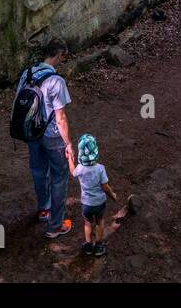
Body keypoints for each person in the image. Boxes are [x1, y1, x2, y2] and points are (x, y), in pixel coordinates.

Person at [16, 40, 76, 238]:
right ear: (59, 55)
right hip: (51, 136)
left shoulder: (27, 73)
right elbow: (60, 117)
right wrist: (68, 143)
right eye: (63, 57)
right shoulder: (56, 81)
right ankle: (55, 226)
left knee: (38, 169)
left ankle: (44, 208)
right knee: (59, 177)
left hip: (31, 132)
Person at [70, 133, 117, 257]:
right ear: (95, 151)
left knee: (87, 223)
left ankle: (88, 245)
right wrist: (112, 195)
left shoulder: (80, 168)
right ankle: (99, 246)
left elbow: (72, 172)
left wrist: (69, 158)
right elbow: (105, 187)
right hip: (99, 203)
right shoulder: (100, 169)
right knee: (99, 222)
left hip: (86, 204)